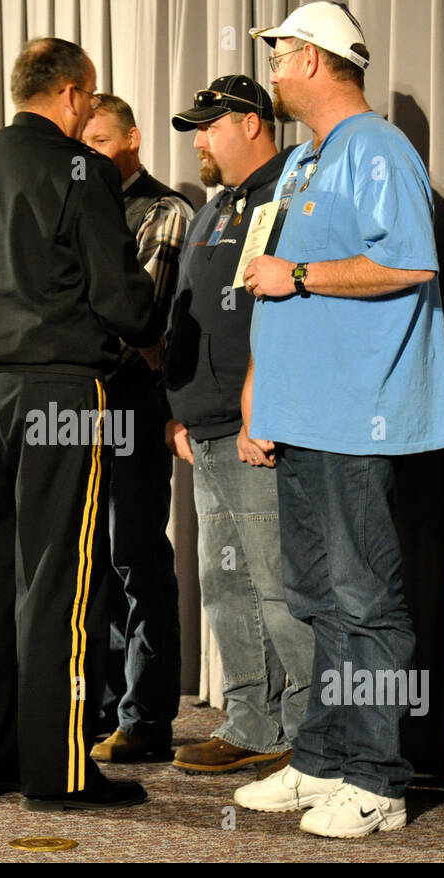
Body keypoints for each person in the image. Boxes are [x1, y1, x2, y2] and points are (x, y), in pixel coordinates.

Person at [236, 1, 444, 837]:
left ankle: (378, 778)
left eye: (283, 54)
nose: (275, 67)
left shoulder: (378, 149)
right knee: (318, 597)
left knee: (365, 598)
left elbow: (405, 262)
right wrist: (259, 386)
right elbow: (272, 281)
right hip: (301, 413)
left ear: (319, 61)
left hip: (356, 417)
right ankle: (324, 757)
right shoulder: (301, 164)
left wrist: (298, 276)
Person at [0, 37, 158, 811]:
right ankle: (58, 771)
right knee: (59, 581)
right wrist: (160, 311)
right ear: (71, 95)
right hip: (56, 393)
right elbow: (122, 299)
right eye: (91, 101)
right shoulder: (82, 170)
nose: (91, 112)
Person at [161, 75, 315, 776]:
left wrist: (271, 405)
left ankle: (310, 735)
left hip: (259, 424)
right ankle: (251, 719)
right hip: (204, 426)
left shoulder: (293, 191)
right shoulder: (214, 206)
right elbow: (186, 311)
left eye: (211, 124)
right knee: (226, 582)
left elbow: (296, 313)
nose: (201, 137)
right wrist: (174, 410)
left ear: (253, 121)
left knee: (280, 586)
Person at [80, 94, 192, 763]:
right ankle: (97, 707)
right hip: (79, 407)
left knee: (135, 555)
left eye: (99, 138)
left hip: (135, 403)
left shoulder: (164, 210)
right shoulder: (76, 206)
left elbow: (137, 318)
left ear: (132, 139)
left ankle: (146, 715)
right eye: (82, 139)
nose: (88, 150)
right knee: (89, 559)